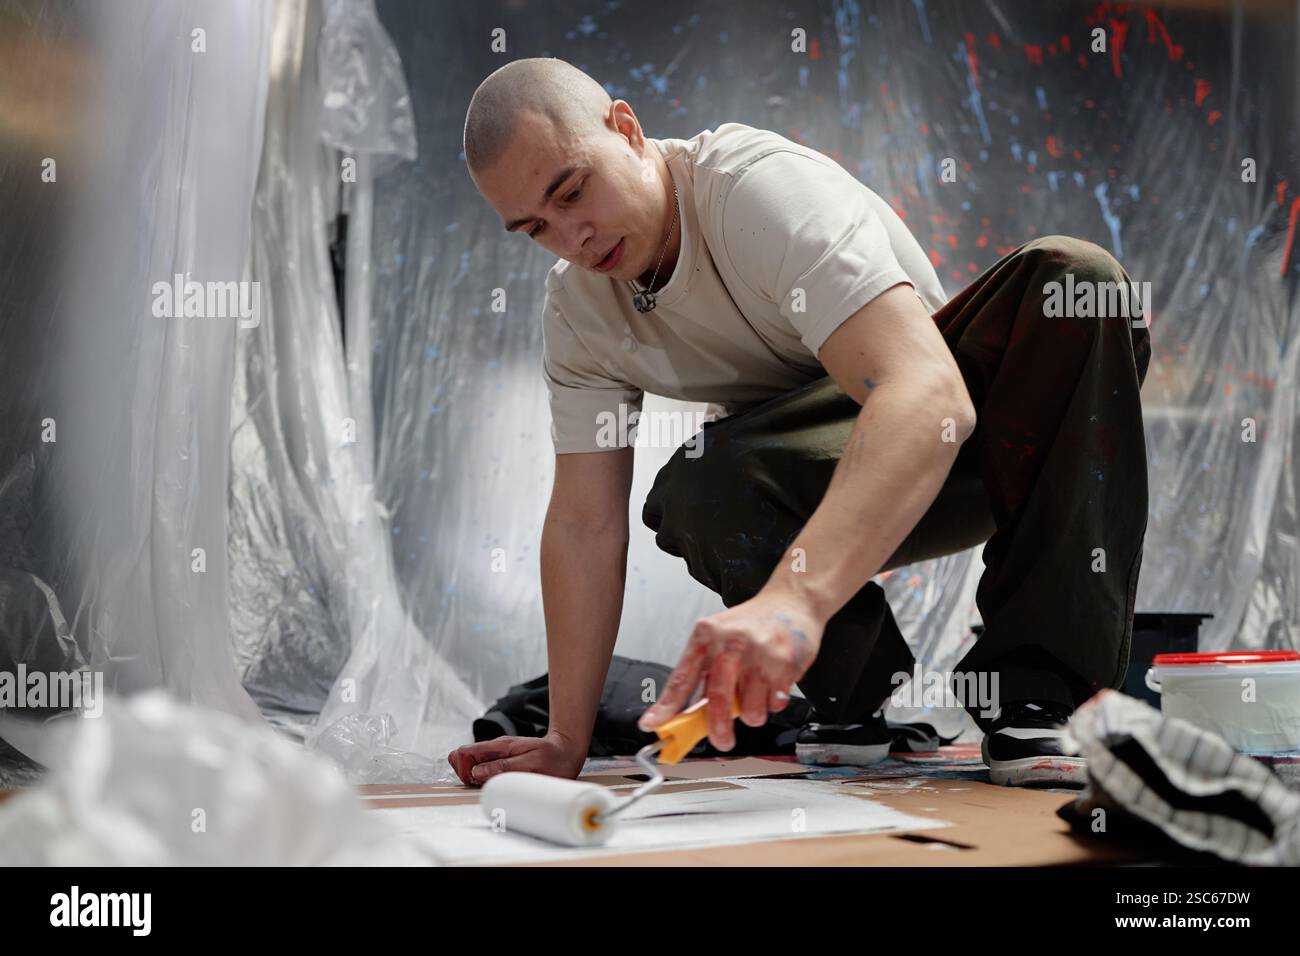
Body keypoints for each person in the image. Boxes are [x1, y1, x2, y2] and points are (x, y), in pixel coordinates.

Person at [449, 57, 1150, 788]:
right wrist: (567, 737)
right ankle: (852, 696)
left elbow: (929, 392)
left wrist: (795, 601)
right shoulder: (578, 312)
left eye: (572, 190)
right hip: (825, 481)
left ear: (627, 129)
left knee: (1079, 281)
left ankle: (1035, 694)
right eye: (536, 228)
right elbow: (583, 523)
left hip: (976, 443)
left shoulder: (753, 190)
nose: (575, 238)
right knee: (698, 483)